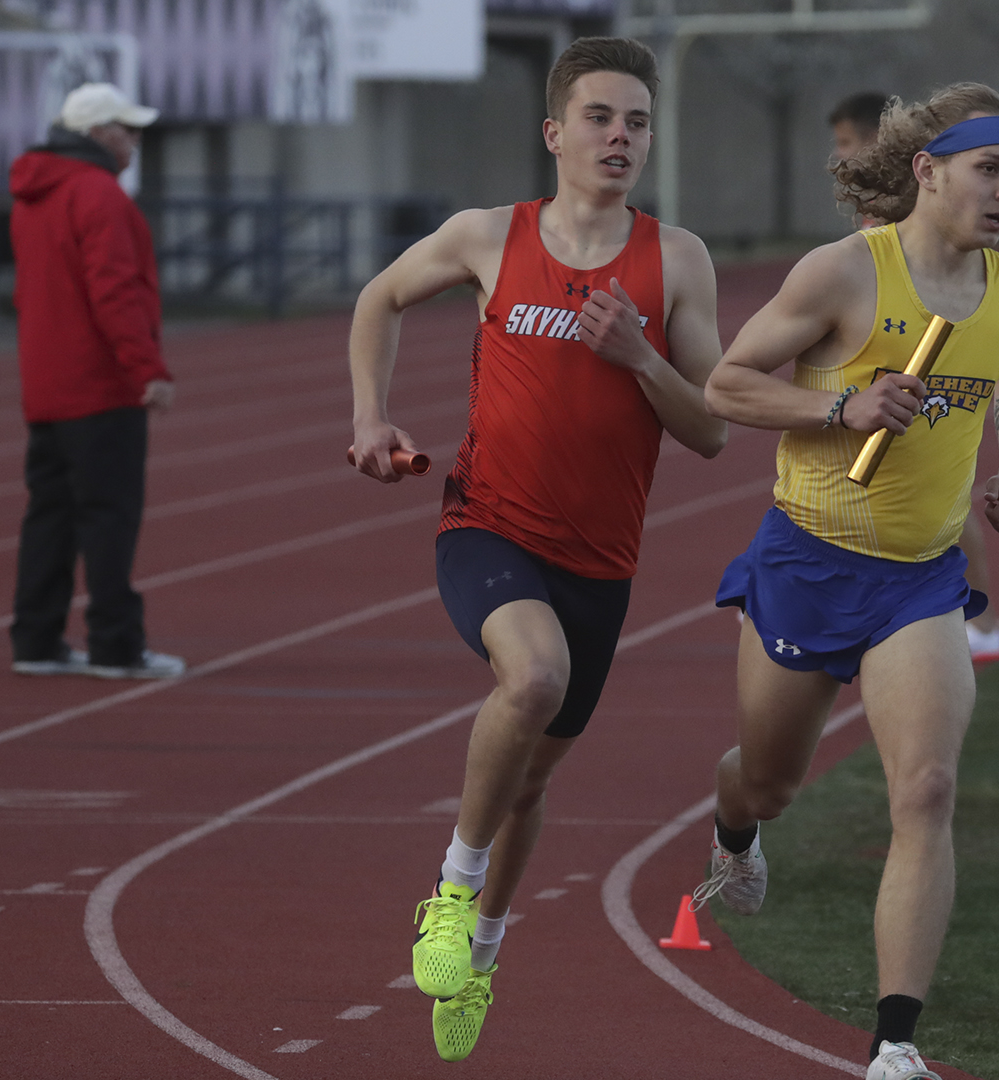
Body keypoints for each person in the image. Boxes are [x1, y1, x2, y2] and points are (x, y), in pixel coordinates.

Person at [346, 37, 725, 1063]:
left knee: (532, 780)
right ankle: (451, 897)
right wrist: (372, 416)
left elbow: (711, 429)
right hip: (488, 526)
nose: (621, 137)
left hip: (602, 559)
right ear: (554, 132)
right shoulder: (489, 236)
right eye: (601, 117)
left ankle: (487, 950)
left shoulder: (676, 259)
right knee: (532, 680)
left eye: (637, 121)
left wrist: (640, 354)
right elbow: (379, 297)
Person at [691, 84, 999, 1080]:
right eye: (990, 169)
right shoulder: (846, 274)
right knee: (768, 780)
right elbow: (727, 383)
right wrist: (841, 403)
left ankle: (895, 1045)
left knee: (928, 791)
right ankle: (732, 829)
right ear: (930, 172)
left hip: (920, 584)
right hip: (807, 560)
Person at [7, 83, 184, 681]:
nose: (134, 141)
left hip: (46, 386)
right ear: (96, 135)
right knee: (108, 517)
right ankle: (115, 645)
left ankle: (35, 638)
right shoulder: (99, 194)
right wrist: (148, 370)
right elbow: (115, 292)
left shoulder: (34, 194)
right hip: (100, 387)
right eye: (126, 130)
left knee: (49, 517)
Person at [828, 89, 999, 663]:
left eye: (844, 142)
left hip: (923, 366)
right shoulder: (866, 228)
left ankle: (981, 619)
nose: (838, 154)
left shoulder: (918, 204)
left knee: (940, 501)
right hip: (869, 378)